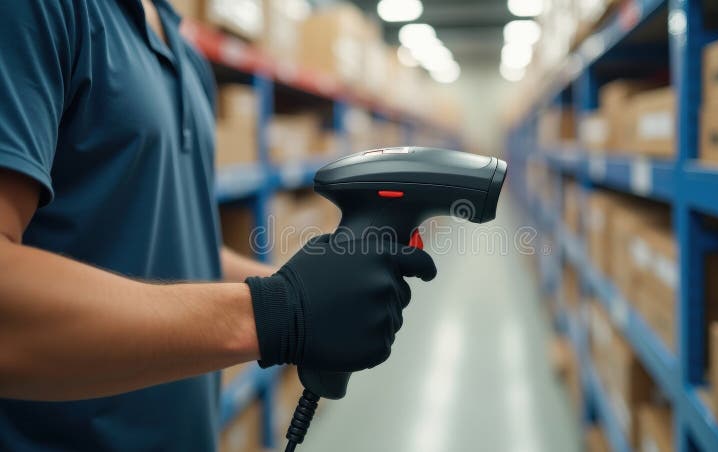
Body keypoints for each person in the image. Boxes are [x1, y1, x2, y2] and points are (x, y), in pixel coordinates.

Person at [0, 1, 436, 450]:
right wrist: (273, 313)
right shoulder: (36, 11)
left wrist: (315, 295)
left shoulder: (185, 50)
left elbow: (181, 244)